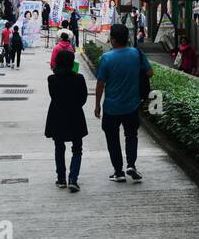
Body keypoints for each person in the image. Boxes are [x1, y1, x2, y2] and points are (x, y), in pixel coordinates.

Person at [94, 22, 150, 184]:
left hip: (111, 107)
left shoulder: (106, 58)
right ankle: (131, 165)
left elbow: (100, 84)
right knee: (131, 135)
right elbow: (150, 72)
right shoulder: (137, 54)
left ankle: (118, 172)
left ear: (112, 40)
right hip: (132, 105)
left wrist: (97, 105)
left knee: (112, 139)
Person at [45, 46, 88, 192]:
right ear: (72, 63)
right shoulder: (79, 78)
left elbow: (54, 96)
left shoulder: (52, 79)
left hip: (57, 116)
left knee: (59, 147)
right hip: (75, 115)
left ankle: (61, 178)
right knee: (77, 148)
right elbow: (83, 98)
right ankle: (73, 179)